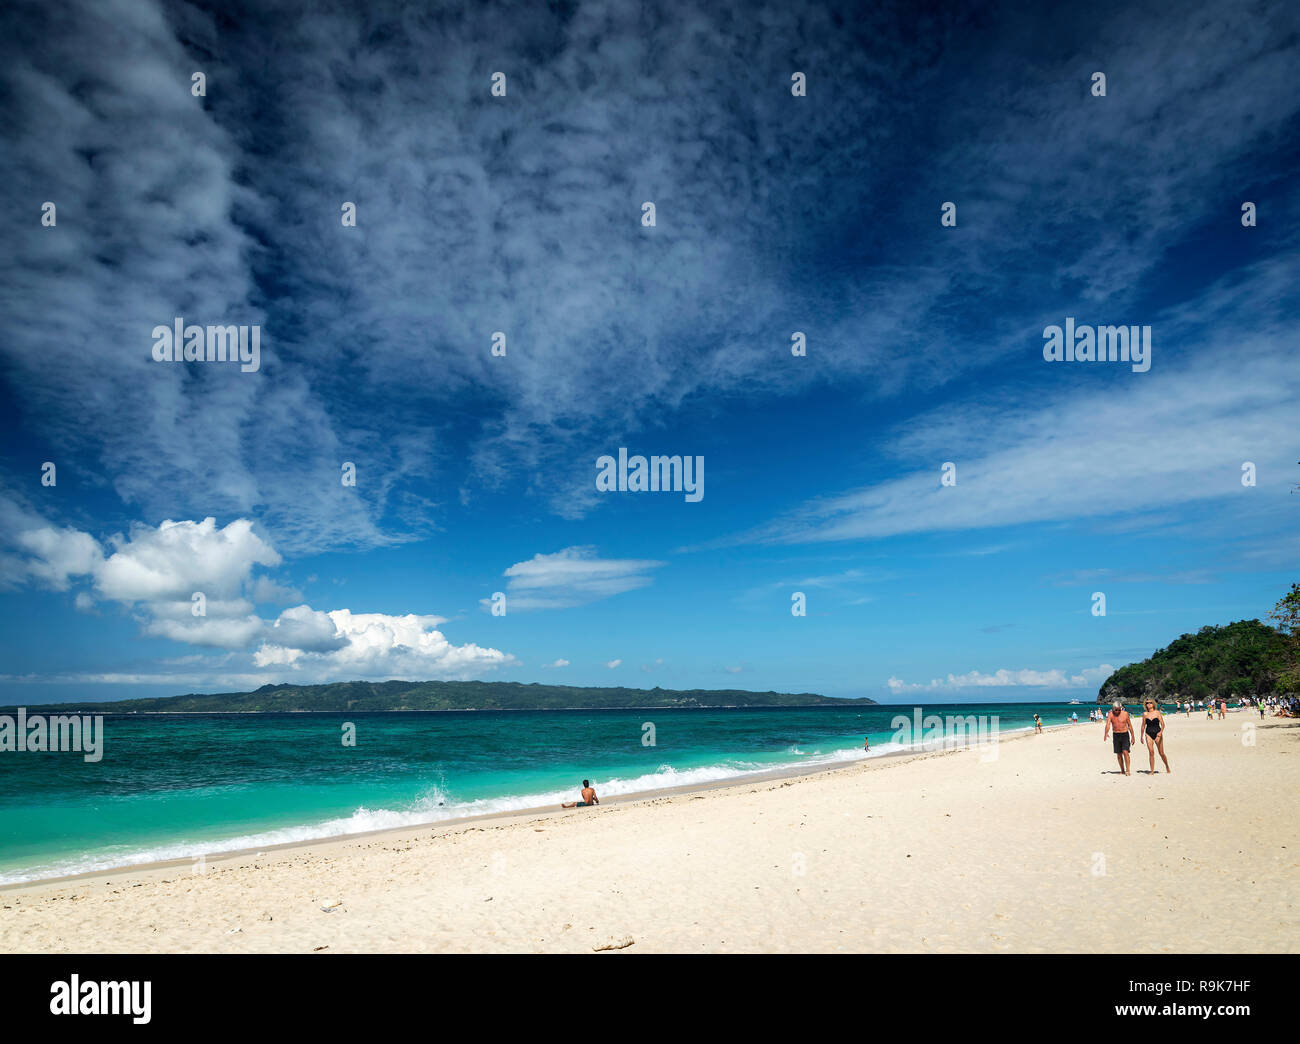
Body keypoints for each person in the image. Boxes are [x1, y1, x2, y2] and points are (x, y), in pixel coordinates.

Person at [1103, 701, 1135, 776]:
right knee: (1119, 754)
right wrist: (1106, 733)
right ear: (1113, 709)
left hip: (1125, 734)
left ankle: (1128, 770)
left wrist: (1133, 736)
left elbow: (1129, 725)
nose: (1117, 711)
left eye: (1119, 709)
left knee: (1125, 752)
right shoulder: (1110, 714)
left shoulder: (1125, 714)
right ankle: (1122, 770)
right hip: (1116, 735)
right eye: (1116, 710)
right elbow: (1108, 724)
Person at [1140, 700, 1170, 774]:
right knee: (1151, 752)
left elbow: (1163, 724)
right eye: (1147, 703)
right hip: (1148, 733)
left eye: (1150, 703)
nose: (1149, 704)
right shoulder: (1145, 714)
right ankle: (1152, 771)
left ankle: (1167, 766)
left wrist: (1160, 732)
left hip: (1157, 733)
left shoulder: (1157, 712)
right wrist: (1141, 736)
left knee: (1161, 753)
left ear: (1153, 704)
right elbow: (1143, 725)